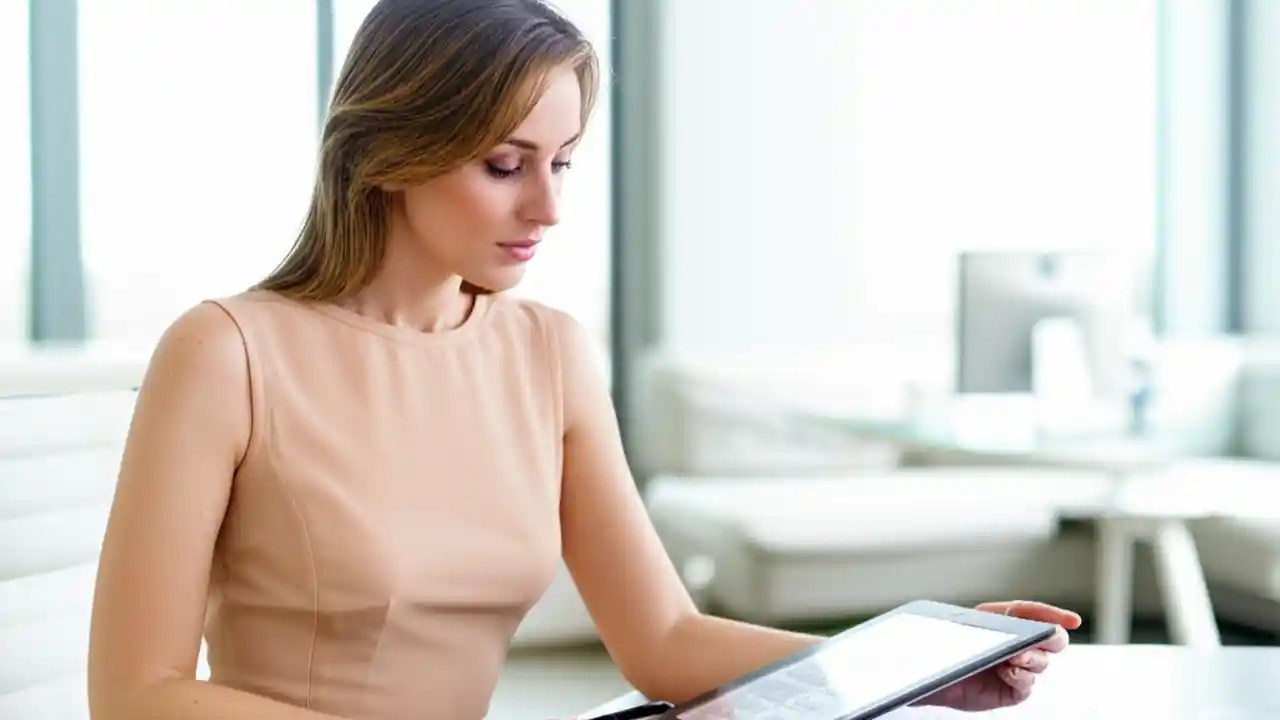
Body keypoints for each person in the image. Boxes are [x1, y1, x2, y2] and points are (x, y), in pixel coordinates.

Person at [86, 1, 1082, 718]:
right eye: (504, 165)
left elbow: (660, 641)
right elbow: (135, 696)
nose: (548, 208)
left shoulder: (546, 353)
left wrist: (900, 667)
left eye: (561, 163)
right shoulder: (226, 353)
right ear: (391, 150)